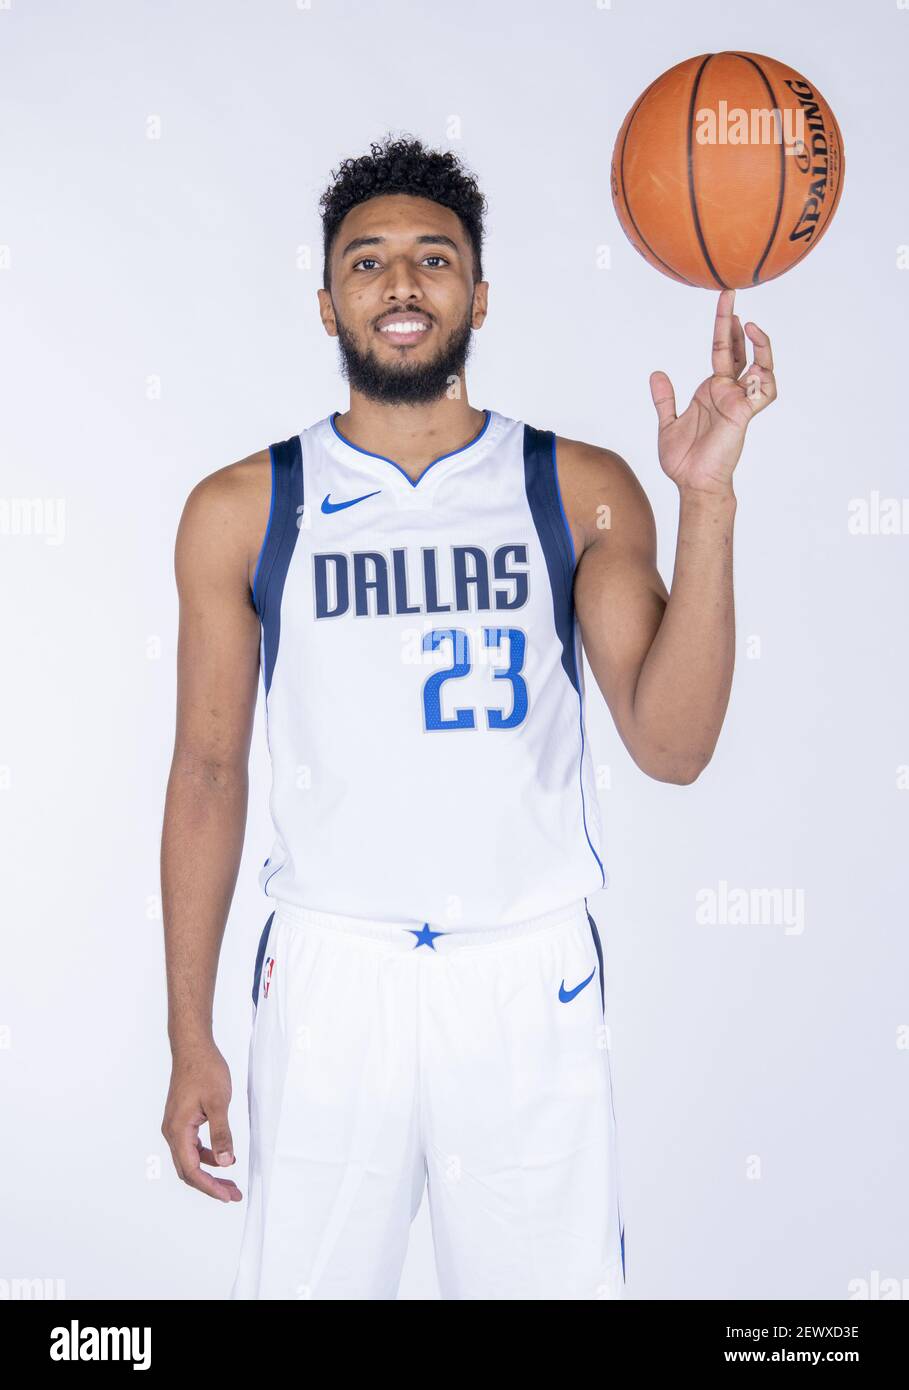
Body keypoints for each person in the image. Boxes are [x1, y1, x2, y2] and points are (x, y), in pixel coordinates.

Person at [159, 135, 776, 1300]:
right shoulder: (243, 507)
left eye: (434, 260)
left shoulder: (575, 483)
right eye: (369, 262)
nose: (401, 285)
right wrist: (190, 1032)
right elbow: (206, 771)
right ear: (328, 300)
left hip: (524, 969)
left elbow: (675, 744)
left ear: (479, 295)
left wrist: (707, 497)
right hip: (332, 970)